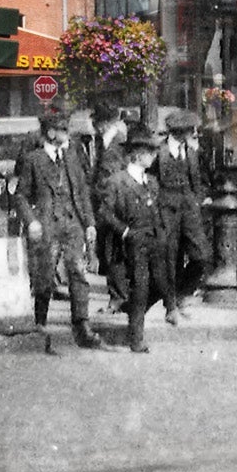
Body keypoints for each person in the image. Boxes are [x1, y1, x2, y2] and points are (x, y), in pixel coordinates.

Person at [12, 107, 99, 353]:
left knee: (78, 272)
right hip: (47, 225)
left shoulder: (72, 157)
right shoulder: (34, 160)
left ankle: (82, 324)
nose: (67, 133)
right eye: (63, 130)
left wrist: (90, 223)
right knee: (45, 274)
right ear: (51, 133)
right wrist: (31, 221)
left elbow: (82, 192)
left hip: (73, 224)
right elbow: (20, 196)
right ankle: (40, 321)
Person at [95, 126, 167, 352]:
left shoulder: (151, 182)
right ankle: (136, 338)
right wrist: (125, 231)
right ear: (137, 154)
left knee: (161, 285)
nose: (154, 156)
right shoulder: (117, 181)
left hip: (153, 241)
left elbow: (156, 212)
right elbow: (105, 213)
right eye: (150, 152)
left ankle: (132, 309)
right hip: (129, 244)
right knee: (141, 287)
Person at [154, 110, 211, 314]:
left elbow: (199, 181)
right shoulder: (158, 153)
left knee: (202, 255)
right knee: (170, 259)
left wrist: (197, 200)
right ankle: (171, 303)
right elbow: (151, 182)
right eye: (190, 129)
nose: (193, 133)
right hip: (166, 212)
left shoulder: (192, 153)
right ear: (180, 131)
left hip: (189, 211)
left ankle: (184, 292)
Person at [90, 111, 131, 309]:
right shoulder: (105, 141)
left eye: (95, 123)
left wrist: (96, 191)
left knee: (113, 252)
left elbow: (110, 176)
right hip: (106, 203)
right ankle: (119, 296)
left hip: (113, 204)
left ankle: (119, 298)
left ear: (104, 123)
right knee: (109, 251)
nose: (94, 128)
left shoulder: (117, 143)